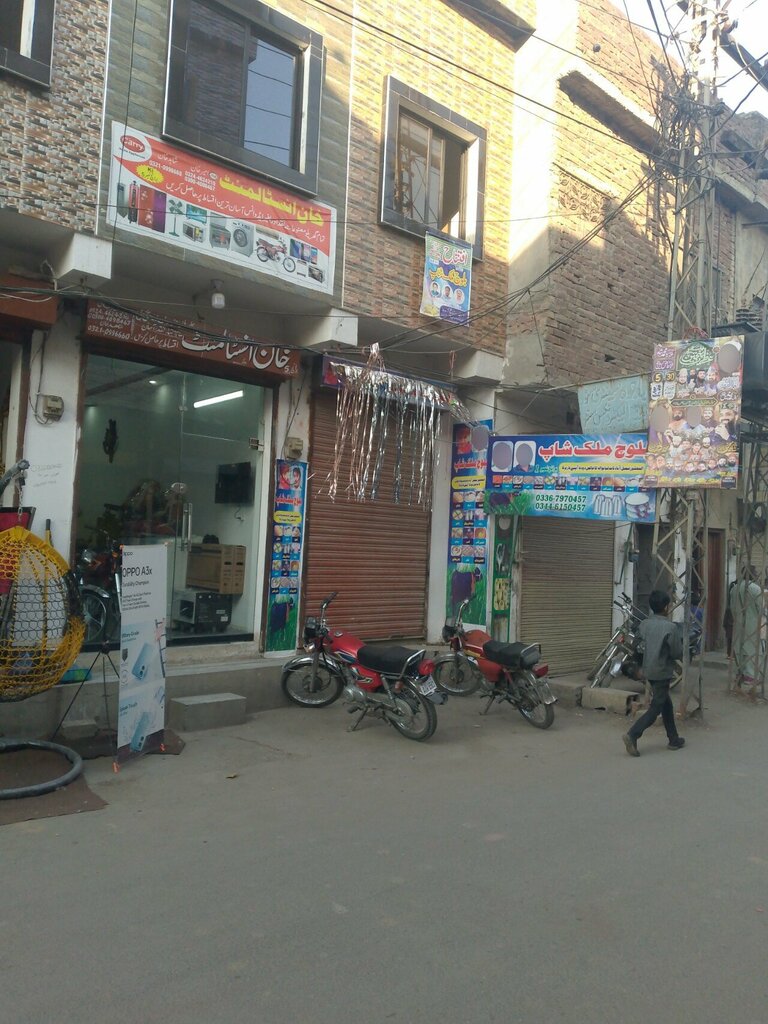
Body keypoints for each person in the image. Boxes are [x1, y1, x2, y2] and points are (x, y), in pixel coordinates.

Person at [623, 589, 685, 756]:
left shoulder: (644, 624)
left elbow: (637, 645)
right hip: (662, 671)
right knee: (656, 707)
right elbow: (676, 652)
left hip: (647, 669)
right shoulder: (670, 627)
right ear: (666, 607)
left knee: (666, 704)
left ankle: (674, 739)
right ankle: (633, 734)